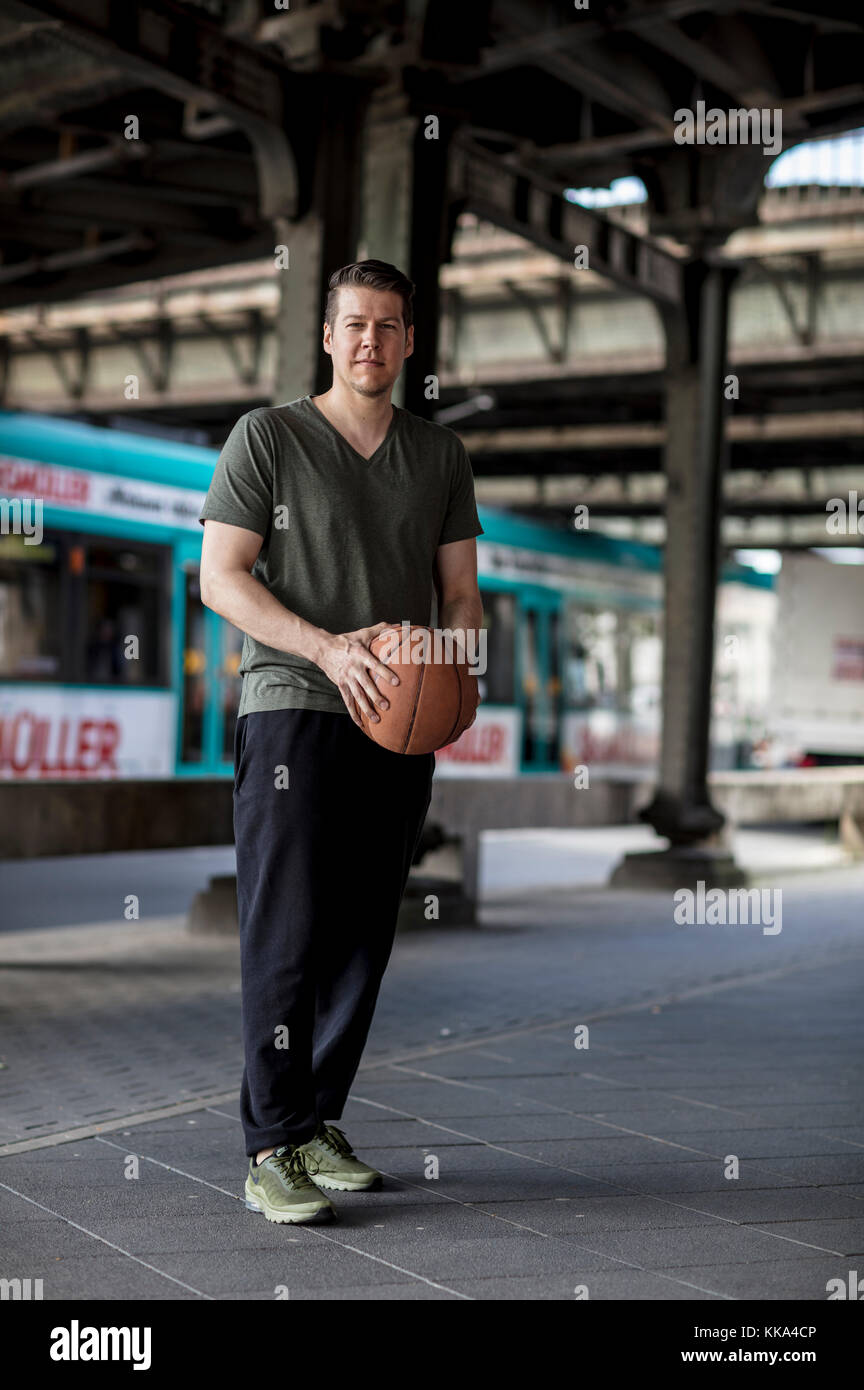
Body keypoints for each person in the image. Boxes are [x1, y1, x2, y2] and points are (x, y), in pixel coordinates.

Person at [198, 259, 484, 1223]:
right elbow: (222, 579)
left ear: (409, 342)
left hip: (396, 727)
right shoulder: (267, 439)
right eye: (355, 324)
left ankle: (317, 1119)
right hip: (293, 704)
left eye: (390, 327)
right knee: (287, 929)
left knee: (363, 935)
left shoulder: (440, 456)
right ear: (329, 335)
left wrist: (464, 666)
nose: (371, 341)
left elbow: (458, 593)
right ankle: (270, 1142)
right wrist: (327, 647)